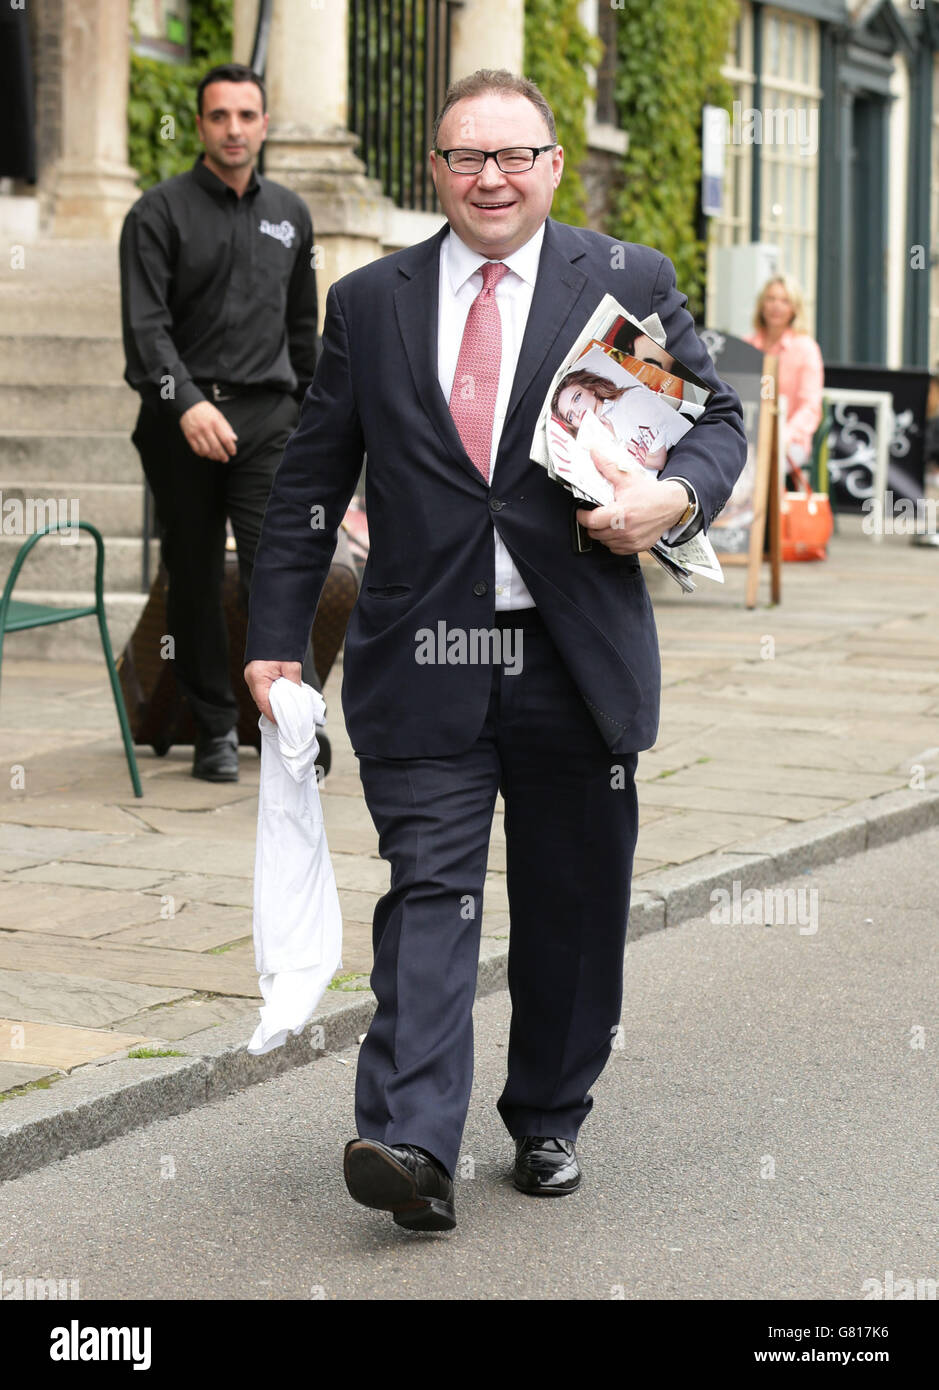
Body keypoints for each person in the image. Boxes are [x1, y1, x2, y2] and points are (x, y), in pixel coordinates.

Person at [244, 68, 747, 1232]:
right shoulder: (368, 303)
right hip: (421, 654)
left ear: (554, 166)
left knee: (572, 898)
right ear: (437, 169)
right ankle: (411, 1140)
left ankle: (549, 1114)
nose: (491, 177)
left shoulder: (624, 280)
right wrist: (278, 645)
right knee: (429, 892)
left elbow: (717, 421)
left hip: (575, 660)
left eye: (515, 155)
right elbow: (311, 483)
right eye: (468, 156)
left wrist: (670, 499)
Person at [119, 63, 318, 782]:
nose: (233, 128)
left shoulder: (291, 215)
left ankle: (293, 722)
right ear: (200, 125)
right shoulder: (157, 213)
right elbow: (146, 331)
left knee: (280, 567)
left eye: (246, 115)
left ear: (263, 123)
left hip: (268, 417)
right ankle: (210, 729)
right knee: (194, 572)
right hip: (180, 420)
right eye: (219, 116)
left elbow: (304, 334)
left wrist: (308, 416)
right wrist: (187, 403)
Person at [745, 275, 824, 480]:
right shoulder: (747, 345)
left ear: (795, 308)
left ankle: (763, 513)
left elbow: (810, 408)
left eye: (784, 300)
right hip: (748, 438)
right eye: (771, 299)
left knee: (765, 465)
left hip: (789, 441)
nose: (776, 306)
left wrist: (785, 434)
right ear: (762, 304)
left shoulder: (806, 349)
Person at [551, 368, 668, 471]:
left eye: (577, 398)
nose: (576, 412)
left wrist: (615, 443)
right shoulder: (587, 449)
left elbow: (659, 461)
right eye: (570, 416)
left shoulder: (631, 400)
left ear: (591, 388)